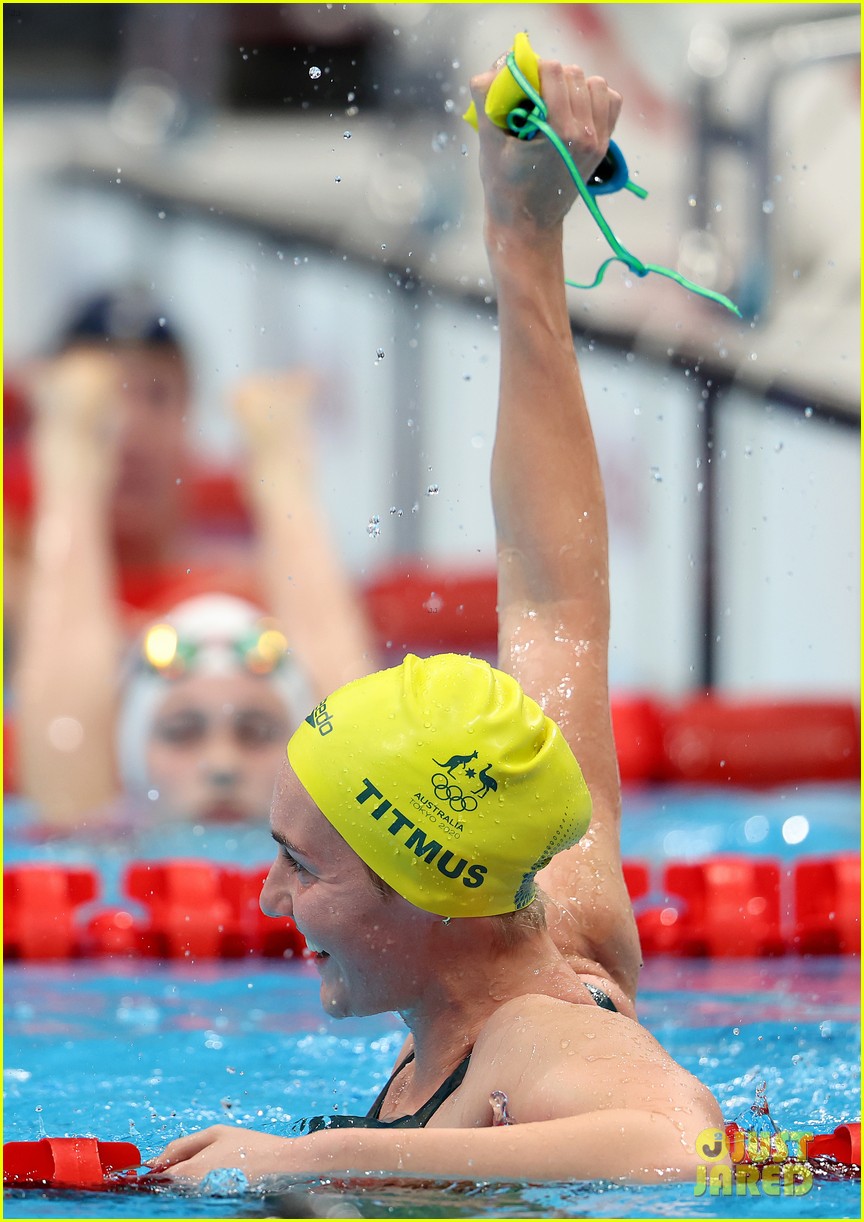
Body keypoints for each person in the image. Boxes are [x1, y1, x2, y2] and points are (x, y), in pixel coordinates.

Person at [147, 53, 726, 1185]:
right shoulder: (545, 895)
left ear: (426, 886)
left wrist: (316, 1160)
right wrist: (523, 236)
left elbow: (687, 1145)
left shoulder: (547, 1039)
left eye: (301, 864)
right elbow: (556, 603)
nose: (267, 897)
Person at [12, 341, 374, 827]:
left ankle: (282, 471)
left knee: (347, 785)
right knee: (73, 806)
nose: (222, 767)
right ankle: (71, 455)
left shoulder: (232, 580)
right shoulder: (16, 581)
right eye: (182, 734)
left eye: (156, 396)